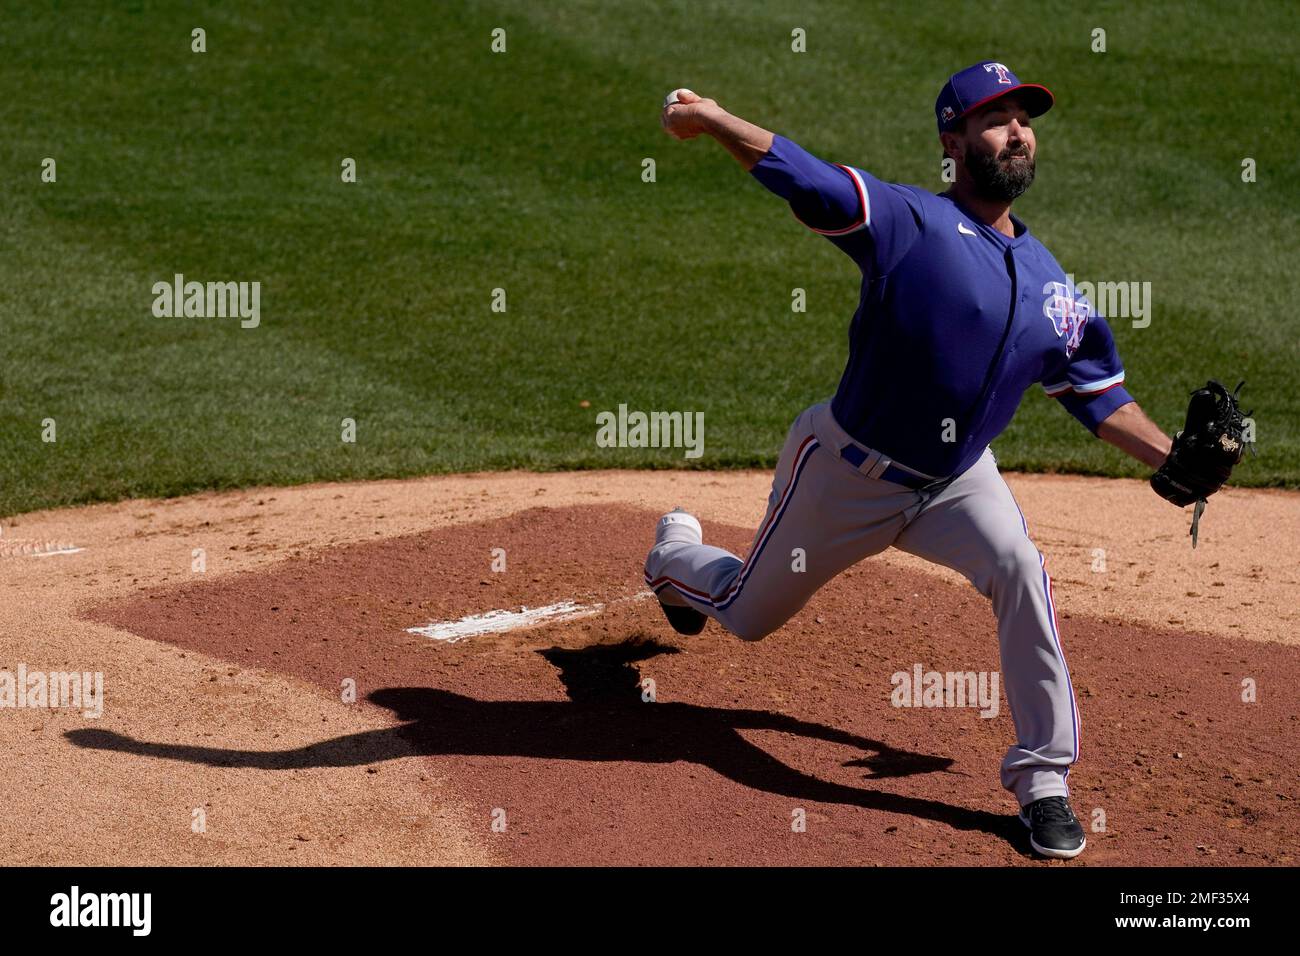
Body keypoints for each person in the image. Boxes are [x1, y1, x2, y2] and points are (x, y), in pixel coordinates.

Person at [645, 62, 1176, 860]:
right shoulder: (908, 222)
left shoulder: (1052, 283)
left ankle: (1043, 783)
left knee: (1020, 567)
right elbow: (805, 177)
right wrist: (717, 120)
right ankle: (675, 555)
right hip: (845, 475)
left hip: (958, 482)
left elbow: (1097, 395)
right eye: (996, 119)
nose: (1018, 133)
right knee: (748, 617)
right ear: (953, 139)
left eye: (1025, 119)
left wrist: (1175, 458)